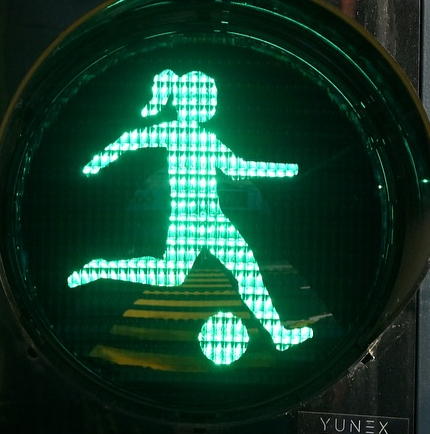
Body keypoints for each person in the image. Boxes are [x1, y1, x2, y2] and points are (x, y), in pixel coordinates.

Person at [67, 69, 314, 352]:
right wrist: (98, 162)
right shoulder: (172, 131)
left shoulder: (208, 138)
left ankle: (278, 336)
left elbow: (239, 167)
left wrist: (282, 171)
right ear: (192, 101)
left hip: (213, 219)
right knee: (171, 275)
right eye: (208, 98)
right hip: (186, 224)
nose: (211, 104)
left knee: (247, 271)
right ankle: (101, 268)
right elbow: (131, 137)